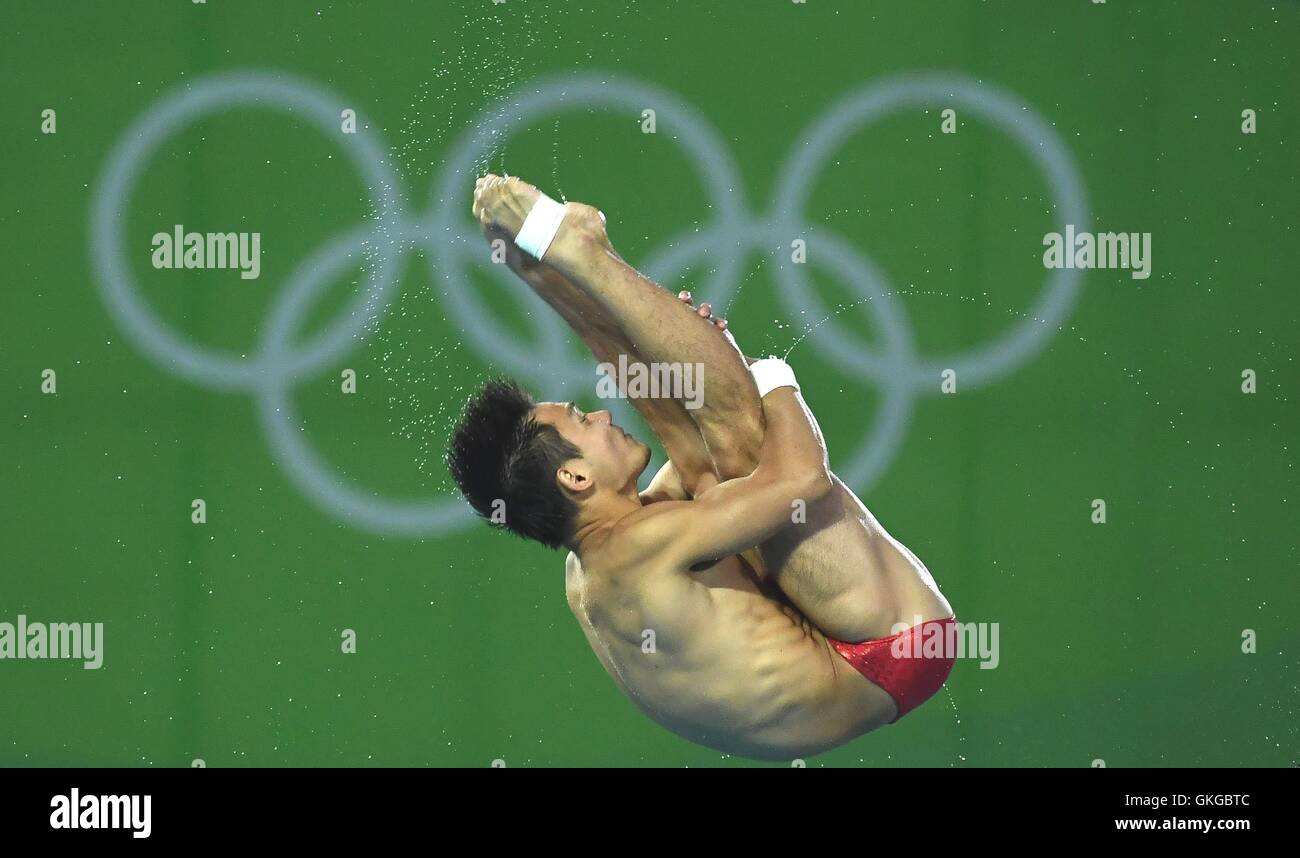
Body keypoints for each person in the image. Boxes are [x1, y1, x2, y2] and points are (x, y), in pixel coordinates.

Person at [447, 175, 954, 760]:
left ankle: (554, 269)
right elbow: (799, 478)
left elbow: (688, 438)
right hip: (895, 650)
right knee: (743, 443)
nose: (603, 416)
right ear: (575, 478)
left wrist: (684, 348)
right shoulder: (641, 546)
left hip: (821, 675)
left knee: (701, 450)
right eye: (583, 421)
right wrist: (768, 376)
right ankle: (581, 255)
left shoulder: (592, 565)